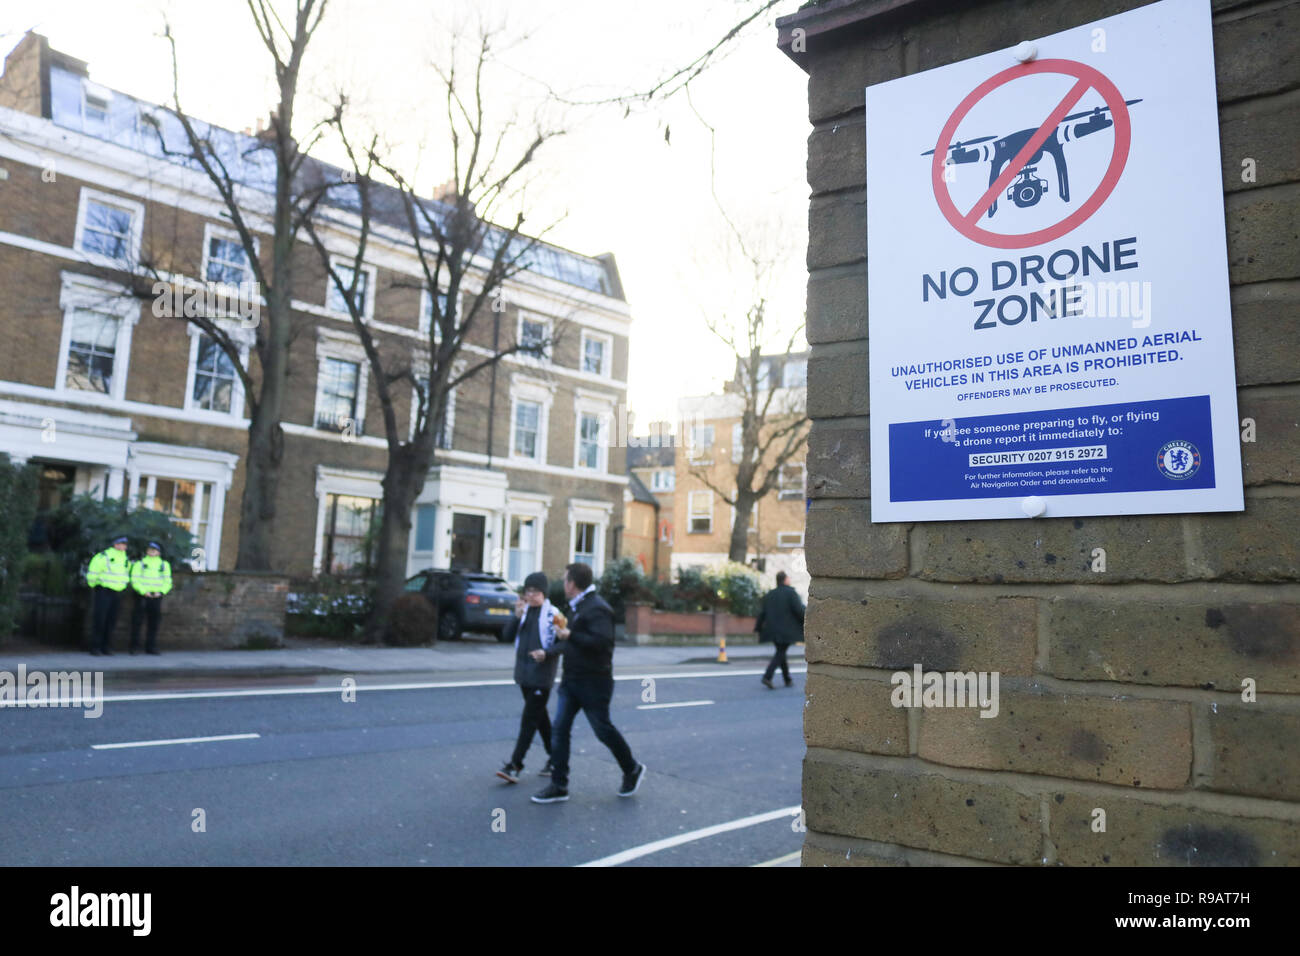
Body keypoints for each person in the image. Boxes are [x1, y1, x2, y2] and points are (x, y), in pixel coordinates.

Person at [531, 562, 645, 804]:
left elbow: (602, 644)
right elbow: (571, 641)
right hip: (572, 679)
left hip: (594, 682)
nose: (563, 584)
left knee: (603, 730)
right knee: (560, 730)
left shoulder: (598, 608)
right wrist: (553, 648)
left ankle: (631, 768)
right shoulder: (578, 607)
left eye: (565, 580)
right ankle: (559, 784)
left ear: (572, 583)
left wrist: (570, 635)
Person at [496, 572, 566, 783]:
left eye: (535, 591)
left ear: (544, 593)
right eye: (528, 591)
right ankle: (555, 759)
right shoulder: (523, 612)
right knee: (540, 719)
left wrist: (548, 653)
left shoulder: (555, 614)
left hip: (542, 676)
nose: (531, 595)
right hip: (524, 675)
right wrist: (515, 617)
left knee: (528, 720)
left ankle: (515, 764)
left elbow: (565, 642)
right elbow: (506, 637)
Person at [756, 571, 805, 689]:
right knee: (780, 652)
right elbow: (799, 610)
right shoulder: (791, 593)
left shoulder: (770, 594)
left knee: (780, 652)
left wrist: (758, 628)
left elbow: (762, 613)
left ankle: (787, 679)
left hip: (772, 629)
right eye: (789, 578)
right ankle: (767, 676)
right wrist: (806, 621)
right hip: (786, 630)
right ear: (785, 580)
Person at [86, 536, 131, 655]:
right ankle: (95, 647)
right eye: (120, 544)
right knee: (100, 620)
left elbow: (125, 574)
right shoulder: (104, 556)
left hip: (117, 592)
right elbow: (93, 572)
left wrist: (123, 586)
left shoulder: (125, 559)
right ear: (115, 544)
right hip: (103, 591)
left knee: (111, 620)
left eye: (124, 544)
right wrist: (94, 585)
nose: (123, 546)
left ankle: (106, 647)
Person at [129, 541, 172, 655]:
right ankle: (134, 647)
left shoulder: (164, 565)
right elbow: (135, 580)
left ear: (158, 552)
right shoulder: (140, 564)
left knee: (154, 623)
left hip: (157, 596)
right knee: (137, 622)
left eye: (154, 550)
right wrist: (144, 591)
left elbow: (167, 581)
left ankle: (151, 647)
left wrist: (161, 592)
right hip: (142, 596)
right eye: (149, 549)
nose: (151, 551)